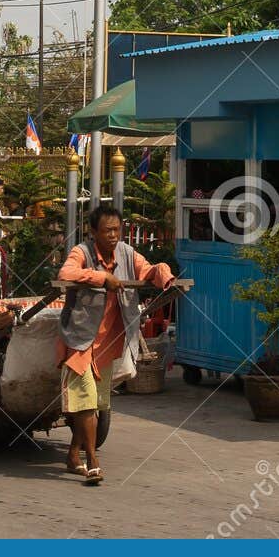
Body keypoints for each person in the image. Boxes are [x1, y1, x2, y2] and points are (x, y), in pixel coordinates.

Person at [57, 205, 176, 484]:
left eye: (116, 230)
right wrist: (102, 277)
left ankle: (73, 455)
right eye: (107, 231)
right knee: (87, 400)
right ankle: (92, 461)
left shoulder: (127, 253)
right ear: (93, 232)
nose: (112, 235)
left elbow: (147, 270)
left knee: (96, 402)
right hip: (80, 339)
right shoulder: (82, 252)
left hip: (108, 343)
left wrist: (163, 273)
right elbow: (66, 273)